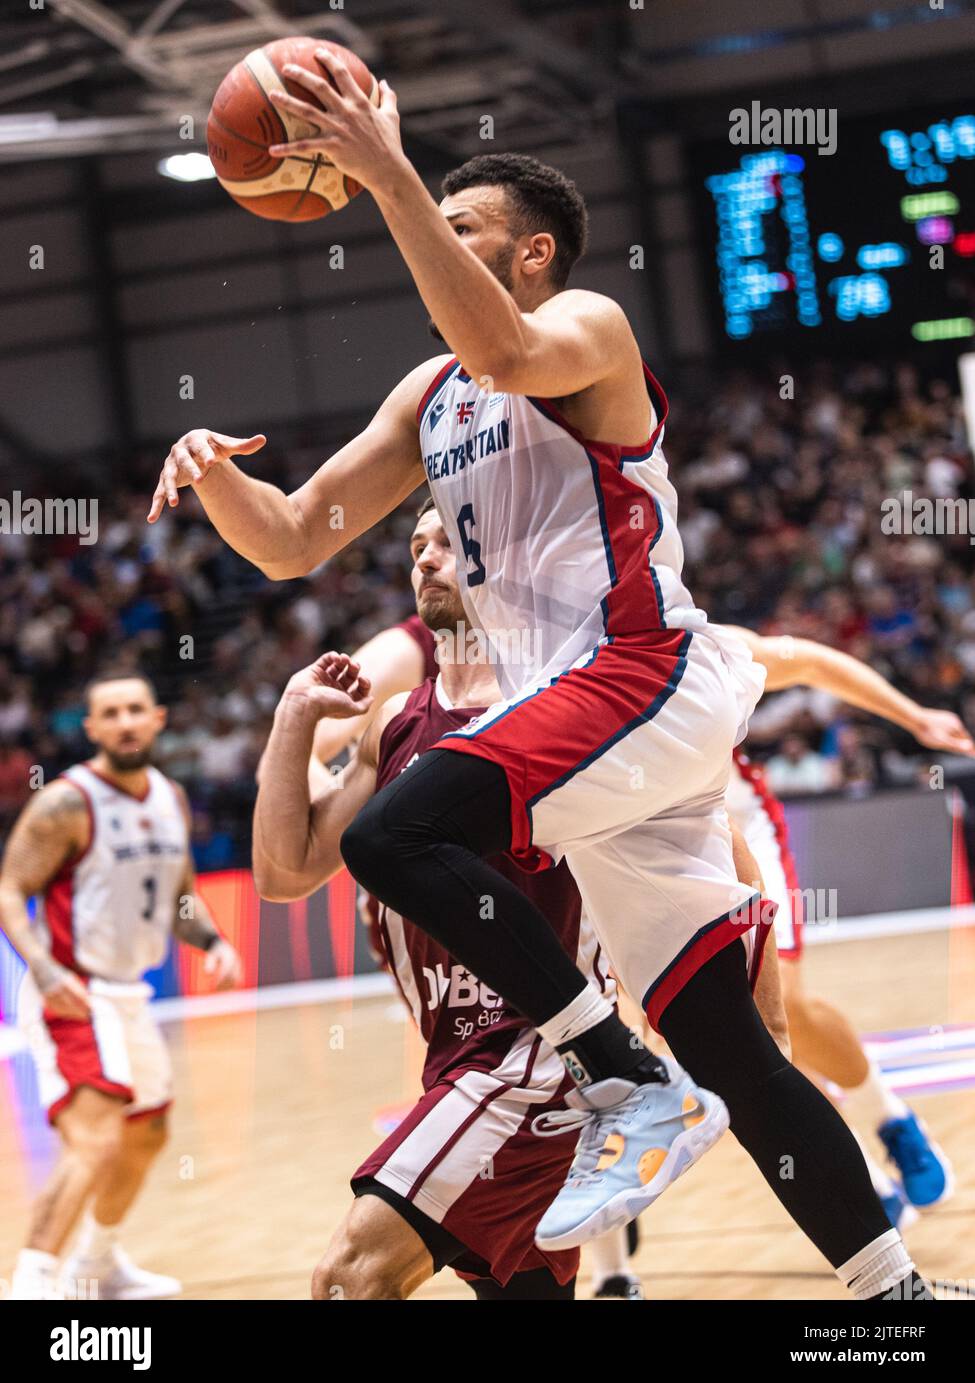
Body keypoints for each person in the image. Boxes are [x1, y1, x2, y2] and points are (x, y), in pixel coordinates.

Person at [149, 62, 924, 1297]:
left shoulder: (586, 328)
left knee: (396, 831)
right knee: (738, 1053)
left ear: (534, 252)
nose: (430, 234)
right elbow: (293, 538)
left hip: (640, 673)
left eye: (461, 226)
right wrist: (214, 475)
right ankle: (897, 1298)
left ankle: (618, 1073)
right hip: (586, 738)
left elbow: (503, 346)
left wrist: (384, 168)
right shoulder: (430, 396)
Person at [252, 502, 780, 1300]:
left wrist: (762, 1025)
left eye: (447, 541)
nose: (425, 557)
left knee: (349, 1278)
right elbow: (284, 872)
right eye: (415, 544)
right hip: (453, 1056)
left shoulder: (562, 700)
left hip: (537, 1061)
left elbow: (718, 847)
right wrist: (293, 716)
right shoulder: (395, 722)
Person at [0, 673, 242, 1300]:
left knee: (147, 1134)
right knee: (96, 1139)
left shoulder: (170, 797)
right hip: (72, 989)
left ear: (158, 718)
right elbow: (10, 888)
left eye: (136, 709)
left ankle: (95, 1267)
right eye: (111, 713)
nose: (126, 721)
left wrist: (213, 941)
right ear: (92, 728)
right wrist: (42, 968)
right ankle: (32, 1282)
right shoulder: (66, 801)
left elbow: (181, 898)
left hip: (129, 993)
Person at [726, 627, 970, 1219]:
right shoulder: (545, 666)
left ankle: (891, 1117)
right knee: (738, 1040)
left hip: (741, 832)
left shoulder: (690, 638)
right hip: (647, 860)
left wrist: (914, 716)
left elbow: (809, 662)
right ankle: (856, 1170)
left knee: (783, 1007)